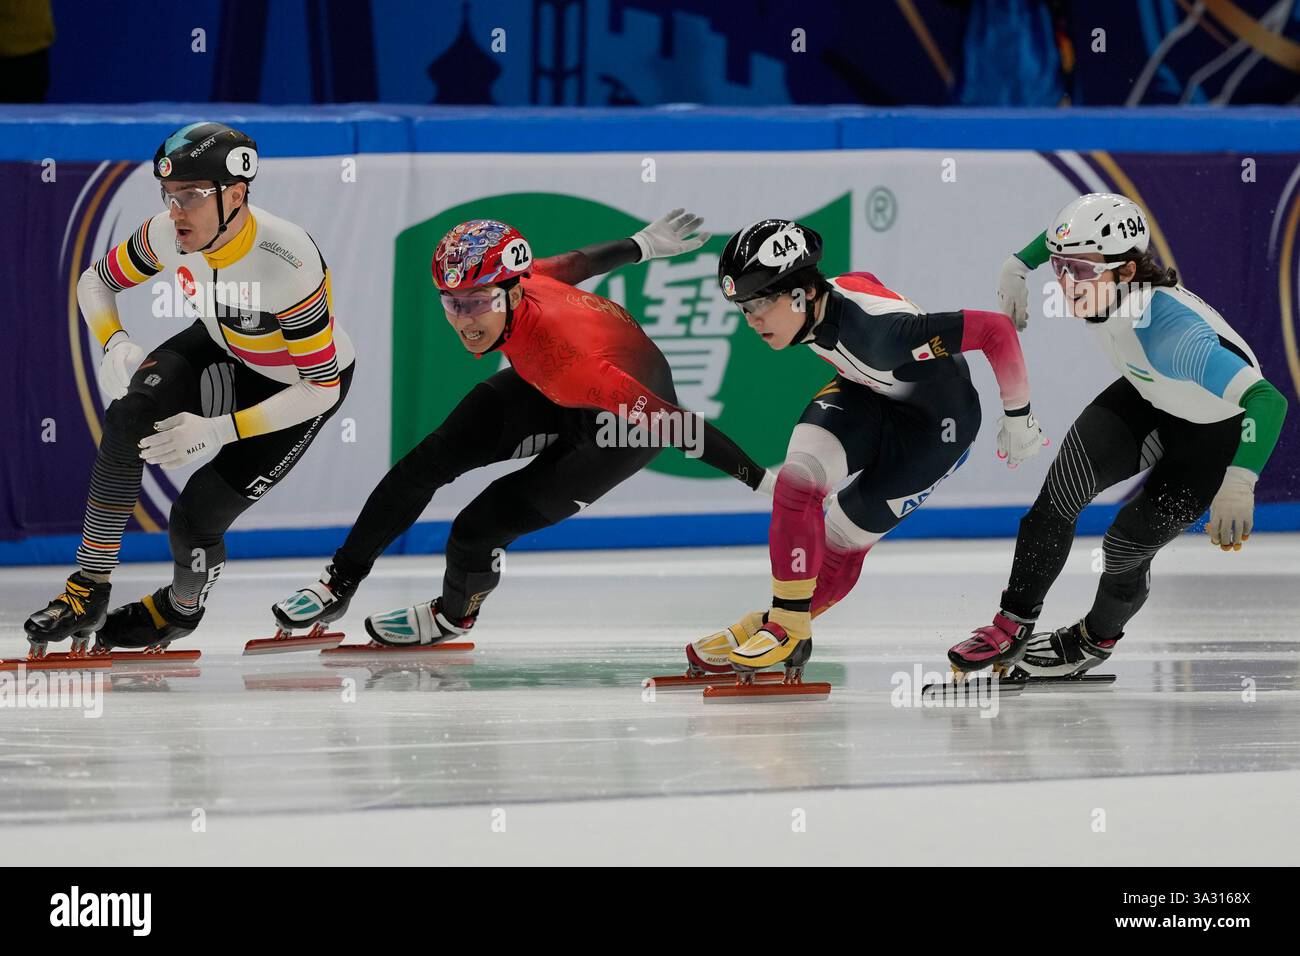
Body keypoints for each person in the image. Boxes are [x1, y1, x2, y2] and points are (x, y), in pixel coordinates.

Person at [274, 211, 772, 645]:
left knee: (475, 530)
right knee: (420, 468)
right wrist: (641, 245)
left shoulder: (578, 362)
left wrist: (762, 479)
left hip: (616, 429)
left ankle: (452, 617)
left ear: (512, 290)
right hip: (545, 385)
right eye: (452, 303)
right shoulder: (522, 281)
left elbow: (676, 425)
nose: (465, 319)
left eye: (477, 302)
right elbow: (577, 262)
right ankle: (339, 582)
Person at [24, 122, 355, 654]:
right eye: (170, 194)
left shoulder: (286, 261)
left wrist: (221, 429)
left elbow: (322, 387)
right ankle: (87, 589)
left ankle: (180, 607)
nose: (177, 210)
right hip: (224, 346)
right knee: (130, 416)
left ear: (238, 194)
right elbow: (95, 282)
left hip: (295, 384)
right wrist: (113, 341)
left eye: (193, 196)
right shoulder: (164, 233)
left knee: (194, 521)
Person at [688, 218, 1043, 681]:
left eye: (759, 302)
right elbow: (867, 280)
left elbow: (995, 330)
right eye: (742, 306)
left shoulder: (882, 334)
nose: (751, 318)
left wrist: (1020, 418)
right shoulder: (818, 303)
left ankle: (784, 625)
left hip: (936, 432)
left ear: (804, 292)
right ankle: (786, 624)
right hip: (869, 394)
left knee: (840, 543)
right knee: (798, 484)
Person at [951, 193, 1288, 678]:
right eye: (1061, 270)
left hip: (1215, 438)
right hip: (1148, 397)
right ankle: (1011, 626)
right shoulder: (1109, 275)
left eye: (1081, 273)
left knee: (1125, 545)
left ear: (1127, 272)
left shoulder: (1173, 337)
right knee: (1057, 499)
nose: (1067, 285)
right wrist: (1017, 265)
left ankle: (1094, 640)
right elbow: (1063, 246)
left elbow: (1267, 399)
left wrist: (1239, 483)